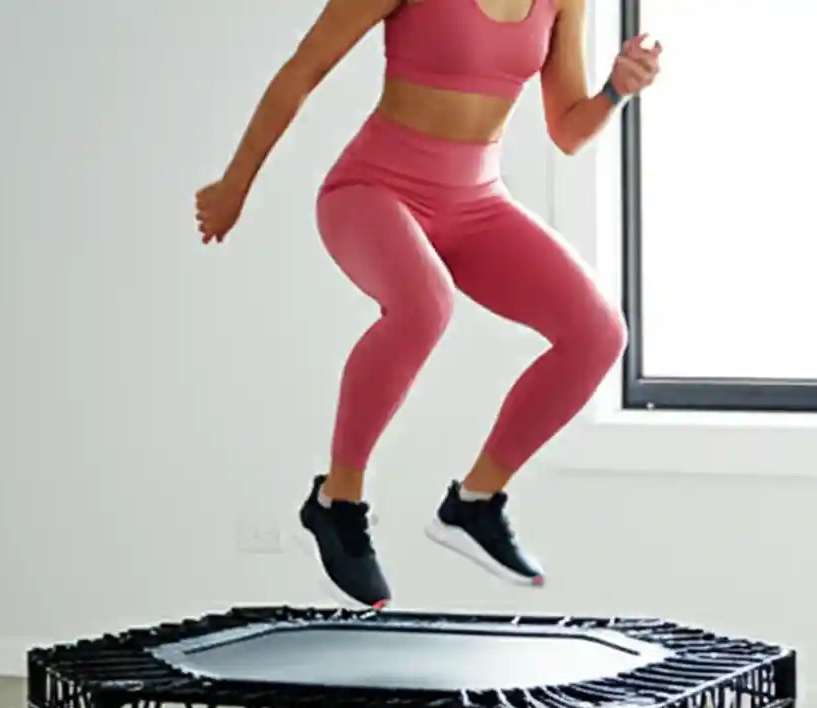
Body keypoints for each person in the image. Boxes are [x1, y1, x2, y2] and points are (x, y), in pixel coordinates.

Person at [195, 0, 661, 608]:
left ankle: (475, 504)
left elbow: (569, 130)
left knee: (598, 334)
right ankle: (338, 500)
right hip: (371, 190)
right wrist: (234, 185)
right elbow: (302, 71)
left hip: (476, 204)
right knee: (423, 307)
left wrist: (615, 91)